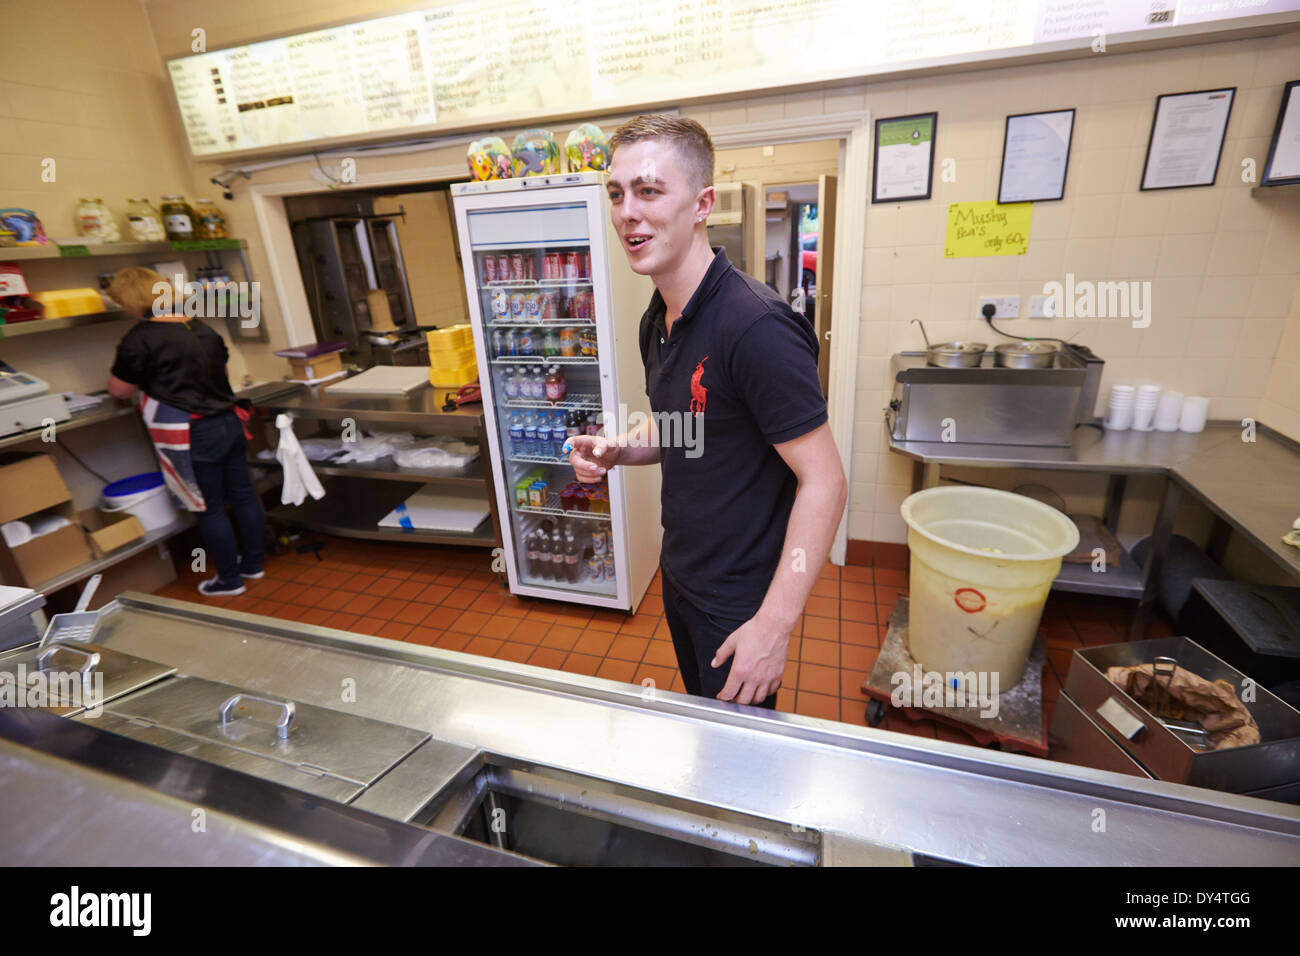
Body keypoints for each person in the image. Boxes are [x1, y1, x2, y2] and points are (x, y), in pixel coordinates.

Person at [567, 115, 847, 709]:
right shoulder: (659, 319)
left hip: (741, 599)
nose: (626, 212)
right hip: (684, 575)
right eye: (616, 194)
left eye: (648, 190)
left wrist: (774, 626)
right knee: (707, 735)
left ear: (702, 205)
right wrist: (618, 449)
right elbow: (682, 430)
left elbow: (824, 482)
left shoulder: (756, 327)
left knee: (746, 767)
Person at [106, 266, 265, 596]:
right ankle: (253, 564)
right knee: (244, 495)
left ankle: (230, 581)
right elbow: (218, 371)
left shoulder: (139, 339)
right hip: (230, 423)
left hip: (193, 433)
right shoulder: (201, 328)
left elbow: (119, 390)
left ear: (132, 301)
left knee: (208, 507)